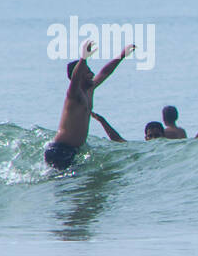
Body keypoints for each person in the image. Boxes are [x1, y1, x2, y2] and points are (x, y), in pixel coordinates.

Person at [44, 40, 135, 169]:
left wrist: (121, 55)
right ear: (80, 75)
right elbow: (75, 78)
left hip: (73, 150)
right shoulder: (74, 95)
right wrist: (83, 58)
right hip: (60, 149)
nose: (92, 74)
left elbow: (105, 72)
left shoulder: (89, 90)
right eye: (88, 72)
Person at [94, 108, 198, 143]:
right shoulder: (143, 148)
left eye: (157, 135)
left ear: (164, 135)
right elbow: (118, 140)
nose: (154, 138)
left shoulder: (170, 146)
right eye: (151, 136)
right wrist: (102, 121)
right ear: (146, 138)